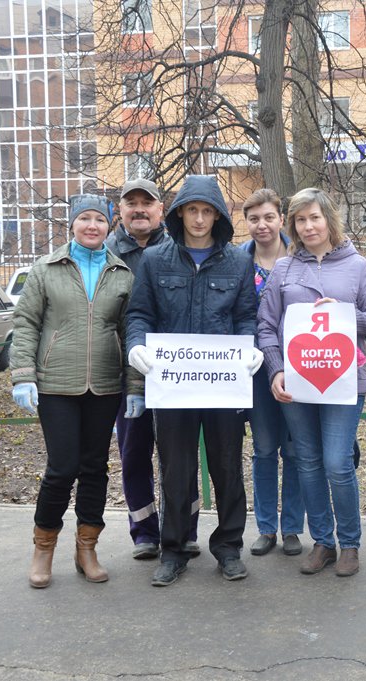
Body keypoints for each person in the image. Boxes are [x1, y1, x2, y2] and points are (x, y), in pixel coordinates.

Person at [125, 175, 262, 587]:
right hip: (173, 384)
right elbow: (139, 314)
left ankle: (228, 547)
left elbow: (246, 315)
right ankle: (175, 548)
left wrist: (249, 347)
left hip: (223, 383)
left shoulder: (237, 260)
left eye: (207, 211)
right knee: (175, 469)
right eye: (192, 210)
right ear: (179, 213)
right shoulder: (156, 260)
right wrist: (136, 348)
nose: (199, 219)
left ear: (217, 216)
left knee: (226, 466)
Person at [257, 187, 366, 578]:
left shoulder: (357, 266)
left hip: (343, 383)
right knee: (308, 462)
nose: (308, 225)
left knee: (336, 462)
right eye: (300, 219)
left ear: (329, 219)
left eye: (315, 217)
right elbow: (266, 327)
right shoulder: (283, 269)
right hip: (296, 384)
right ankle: (323, 542)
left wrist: (347, 316)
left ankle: (349, 543)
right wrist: (276, 369)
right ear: (293, 225)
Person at [11, 194, 134, 588]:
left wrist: (133, 385)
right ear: (72, 224)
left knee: (95, 467)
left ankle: (87, 548)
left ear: (110, 225)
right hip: (56, 384)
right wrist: (23, 375)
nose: (92, 225)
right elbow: (26, 323)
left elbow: (129, 331)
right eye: (85, 218)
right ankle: (43, 547)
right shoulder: (46, 269)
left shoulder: (122, 273)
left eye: (100, 219)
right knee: (62, 469)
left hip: (104, 385)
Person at [105, 178, 202, 561]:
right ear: (121, 212)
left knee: (180, 454)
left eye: (148, 203)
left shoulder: (179, 249)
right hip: (124, 373)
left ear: (162, 210)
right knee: (134, 452)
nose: (140, 209)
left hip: (178, 371)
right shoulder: (106, 254)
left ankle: (186, 529)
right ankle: (144, 531)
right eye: (132, 204)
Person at [239, 188, 305, 558]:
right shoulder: (236, 262)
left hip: (298, 367)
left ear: (281, 219)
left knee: (295, 450)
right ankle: (266, 527)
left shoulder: (301, 258)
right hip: (254, 371)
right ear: (245, 223)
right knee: (264, 449)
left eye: (268, 217)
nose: (261, 225)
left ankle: (293, 527)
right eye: (253, 219)